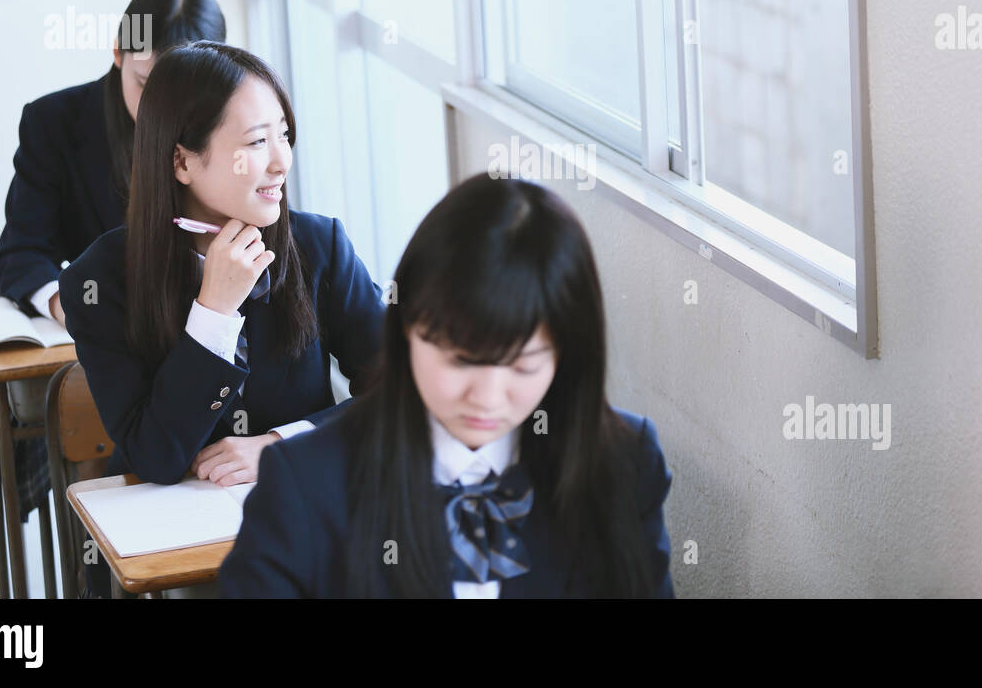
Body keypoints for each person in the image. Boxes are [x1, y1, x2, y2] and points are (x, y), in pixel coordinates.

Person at [220, 173, 674, 598]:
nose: (488, 398)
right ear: (406, 330)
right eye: (461, 362)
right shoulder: (306, 484)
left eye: (524, 366)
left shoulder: (624, 464)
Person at [59, 41, 387, 490]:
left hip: (299, 512)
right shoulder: (99, 280)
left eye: (284, 135)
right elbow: (155, 457)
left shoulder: (319, 244)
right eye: (256, 141)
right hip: (169, 537)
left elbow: (401, 389)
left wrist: (282, 445)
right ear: (182, 161)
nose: (281, 161)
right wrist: (213, 313)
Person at [0, 0, 226, 525]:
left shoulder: (224, 129)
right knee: (105, 476)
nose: (162, 111)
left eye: (183, 95)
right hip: (96, 352)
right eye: (146, 83)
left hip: (205, 336)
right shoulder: (54, 123)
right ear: (118, 54)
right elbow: (19, 251)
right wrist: (64, 302)